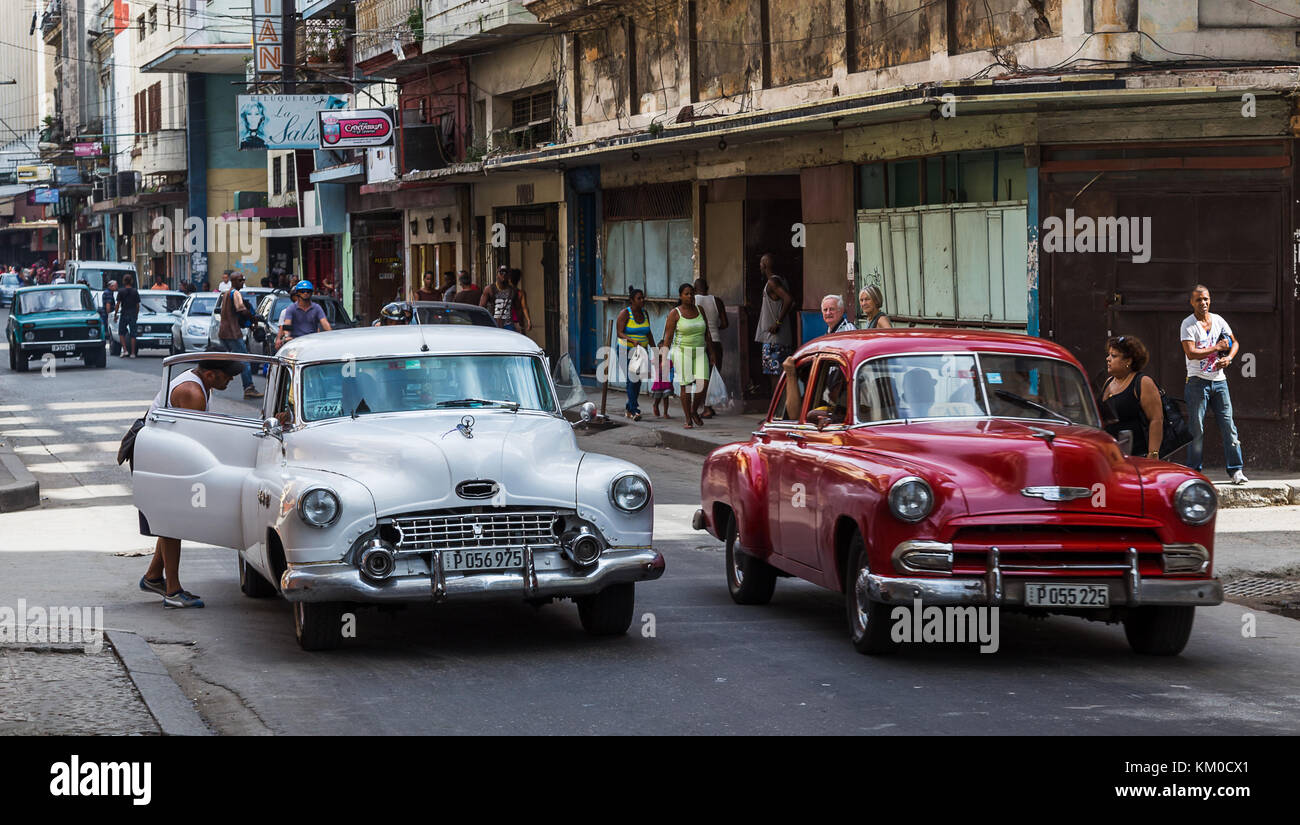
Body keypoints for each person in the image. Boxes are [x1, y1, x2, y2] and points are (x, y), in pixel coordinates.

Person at [137, 351, 246, 608]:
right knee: (172, 523)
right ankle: (173, 591)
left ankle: (153, 577)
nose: (230, 381)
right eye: (227, 377)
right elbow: (196, 438)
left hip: (167, 453)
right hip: (160, 457)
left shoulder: (202, 385)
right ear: (210, 374)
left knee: (170, 521)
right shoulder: (192, 392)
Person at [1180, 285, 1247, 483]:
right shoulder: (1188, 324)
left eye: (1206, 299)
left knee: (1228, 425)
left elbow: (1234, 342)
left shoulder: (1218, 320)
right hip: (1197, 382)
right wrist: (1216, 347)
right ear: (1191, 302)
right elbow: (1191, 352)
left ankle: (1236, 470)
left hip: (1219, 382)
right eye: (1199, 300)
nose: (1204, 303)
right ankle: (1194, 471)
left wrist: (1229, 358)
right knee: (1196, 428)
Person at [1100, 335, 1162, 459]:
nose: (1108, 359)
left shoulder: (1143, 382)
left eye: (1114, 356)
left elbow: (1156, 419)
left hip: (1136, 456)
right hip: (1109, 455)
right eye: (1109, 355)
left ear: (1128, 361)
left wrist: (1153, 454)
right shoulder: (1108, 382)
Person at [661, 282, 713, 429]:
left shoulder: (700, 310)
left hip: (700, 351)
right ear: (681, 296)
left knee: (703, 384)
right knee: (687, 385)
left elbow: (707, 333)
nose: (690, 296)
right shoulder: (675, 313)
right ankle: (688, 419)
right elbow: (668, 338)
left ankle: (694, 410)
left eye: (692, 293)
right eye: (686, 294)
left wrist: (712, 353)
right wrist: (664, 358)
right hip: (681, 352)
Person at [217, 272, 263, 399]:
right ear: (234, 281)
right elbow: (241, 309)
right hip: (232, 333)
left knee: (225, 360)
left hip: (223, 332)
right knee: (244, 360)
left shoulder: (226, 293)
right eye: (240, 280)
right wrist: (253, 319)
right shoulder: (235, 293)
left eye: (243, 280)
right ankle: (249, 388)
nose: (242, 282)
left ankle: (214, 382)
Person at [754, 253, 795, 395]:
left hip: (774, 340)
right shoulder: (782, 280)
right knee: (781, 375)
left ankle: (777, 411)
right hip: (781, 338)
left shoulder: (772, 282)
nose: (759, 266)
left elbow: (788, 299)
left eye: (760, 263)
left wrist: (778, 322)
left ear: (764, 265)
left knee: (775, 376)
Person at [615, 288, 655, 421]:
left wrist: (655, 350)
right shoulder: (625, 313)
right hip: (625, 350)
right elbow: (619, 332)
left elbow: (648, 333)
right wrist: (632, 340)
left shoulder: (645, 313)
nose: (642, 300)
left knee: (637, 381)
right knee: (632, 379)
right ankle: (634, 410)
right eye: (639, 298)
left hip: (640, 352)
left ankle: (629, 407)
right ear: (632, 300)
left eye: (643, 297)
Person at [693, 277, 727, 418]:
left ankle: (702, 407)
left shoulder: (692, 300)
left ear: (695, 289)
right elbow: (725, 323)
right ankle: (708, 406)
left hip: (699, 341)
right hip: (715, 340)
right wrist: (714, 328)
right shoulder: (717, 301)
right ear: (707, 287)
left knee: (701, 376)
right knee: (713, 374)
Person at [275, 280, 332, 348]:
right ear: (297, 293)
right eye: (302, 291)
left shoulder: (317, 308)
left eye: (308, 291)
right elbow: (287, 325)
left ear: (311, 293)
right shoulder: (291, 309)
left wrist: (331, 335)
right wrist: (287, 336)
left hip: (312, 342)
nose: (305, 293)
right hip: (295, 342)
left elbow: (325, 323)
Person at [481, 266, 520, 330]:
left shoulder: (513, 290)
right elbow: (482, 307)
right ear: (497, 274)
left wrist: (518, 322)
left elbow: (518, 308)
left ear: (508, 276)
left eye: (505, 273)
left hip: (508, 324)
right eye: (501, 272)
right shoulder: (489, 289)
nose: (503, 275)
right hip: (493, 324)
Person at [117, 274, 141, 358]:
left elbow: (118, 304)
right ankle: (133, 353)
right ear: (131, 281)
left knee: (121, 333)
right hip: (132, 313)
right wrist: (136, 314)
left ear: (124, 281)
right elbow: (138, 305)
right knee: (133, 334)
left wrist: (116, 313)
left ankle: (125, 350)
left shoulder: (121, 291)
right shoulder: (135, 291)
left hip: (124, 313)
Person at [508, 268, 533, 334]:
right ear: (518, 280)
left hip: (507, 322)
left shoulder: (505, 292)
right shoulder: (521, 293)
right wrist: (529, 321)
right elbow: (524, 307)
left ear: (509, 279)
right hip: (518, 322)